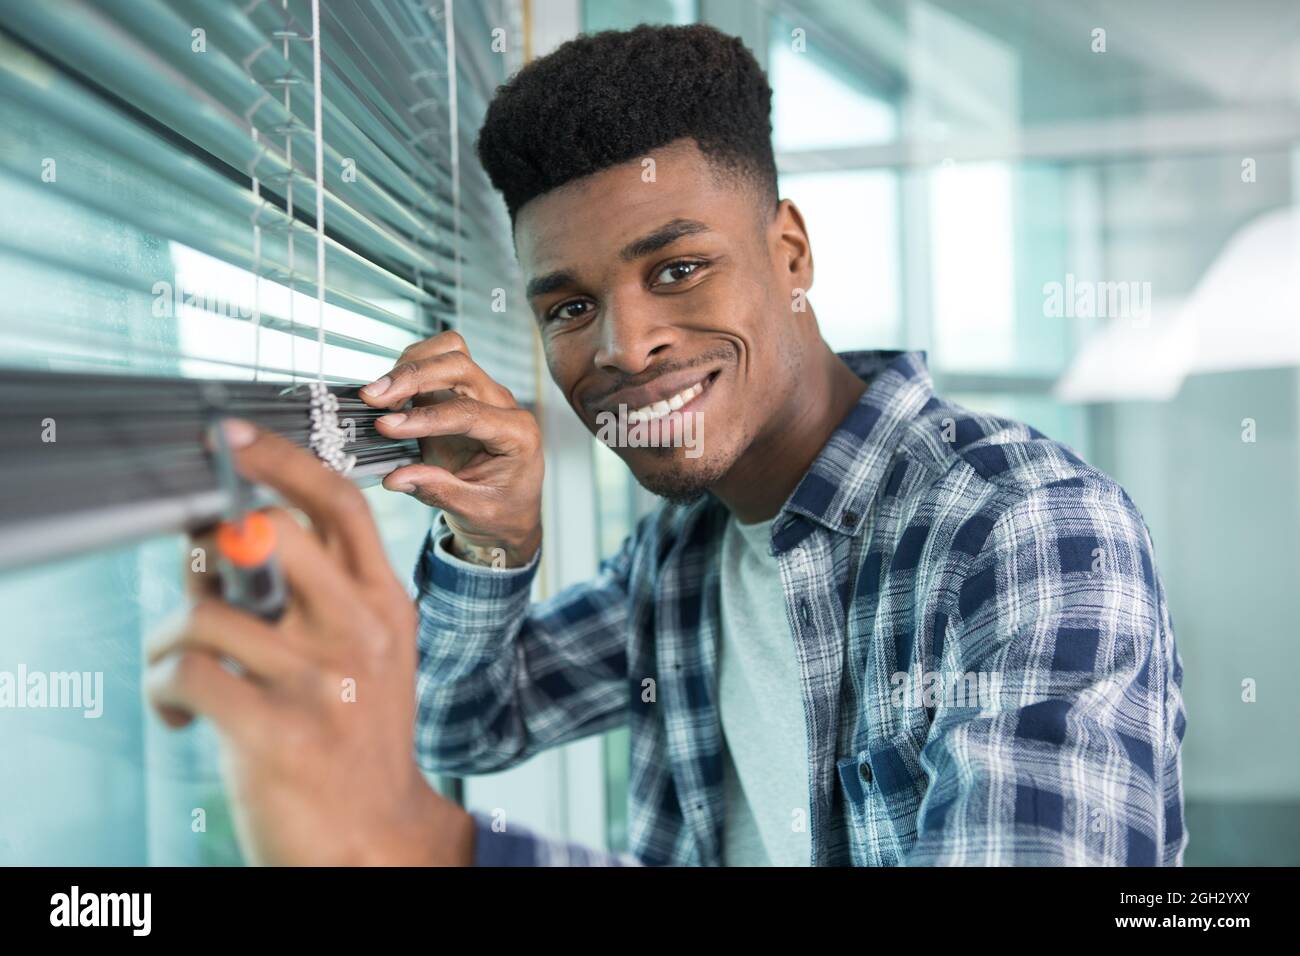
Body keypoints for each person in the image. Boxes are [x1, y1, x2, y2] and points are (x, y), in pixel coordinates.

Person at [147, 24, 1187, 866]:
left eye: (678, 269)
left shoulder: (1025, 528)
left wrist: (434, 846)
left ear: (788, 253)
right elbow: (464, 727)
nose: (623, 345)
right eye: (566, 305)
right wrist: (494, 541)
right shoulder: (682, 556)